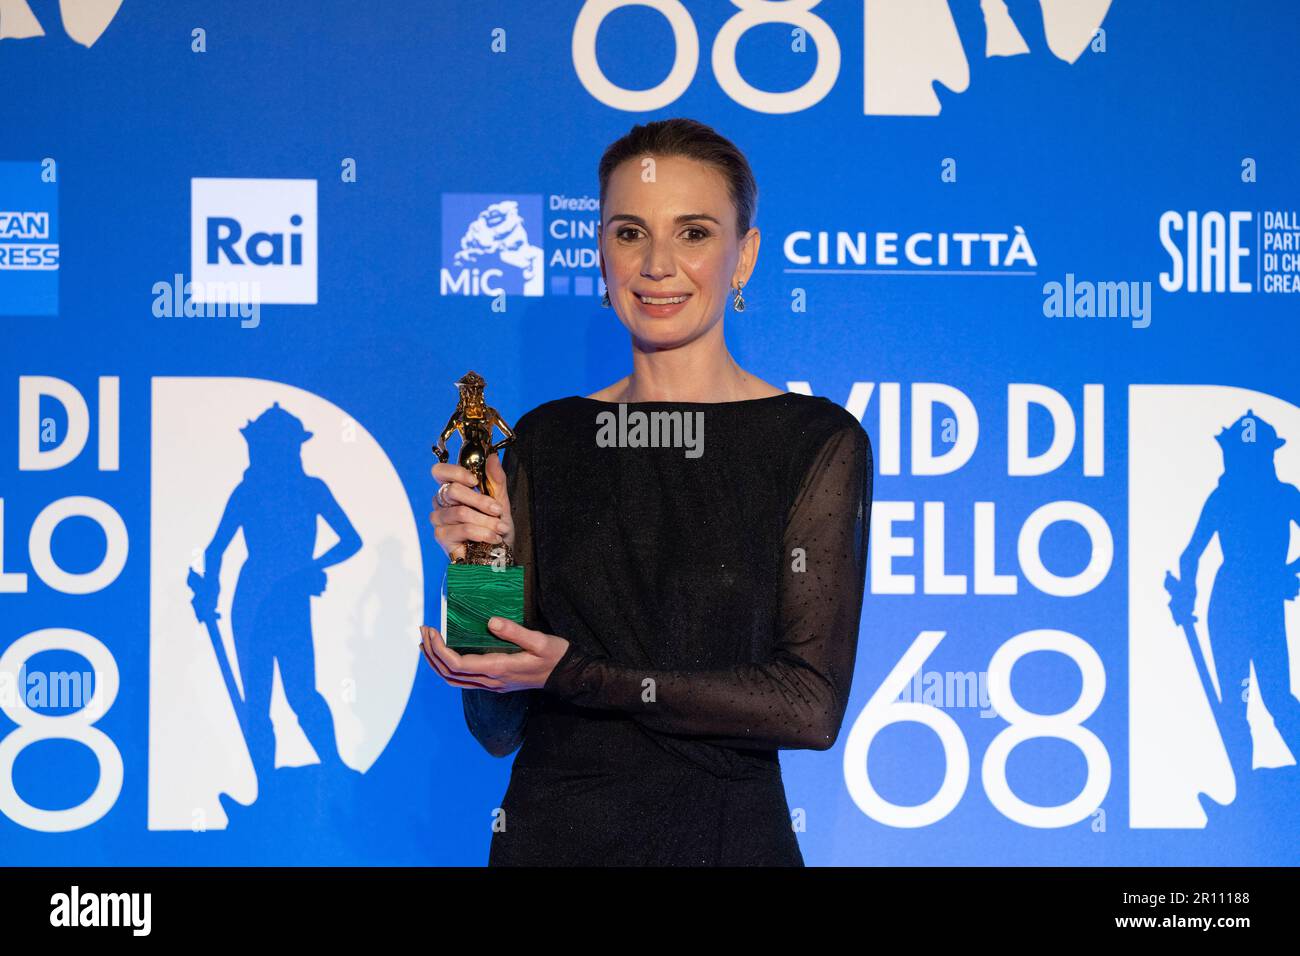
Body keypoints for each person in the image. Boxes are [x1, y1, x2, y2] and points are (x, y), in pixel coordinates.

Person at [420, 118, 873, 865]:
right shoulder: (547, 438)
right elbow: (495, 726)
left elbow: (811, 707)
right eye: (630, 233)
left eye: (694, 233)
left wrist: (580, 674)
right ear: (601, 251)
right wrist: (481, 566)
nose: (658, 264)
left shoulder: (813, 441)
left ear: (744, 257)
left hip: (727, 846)